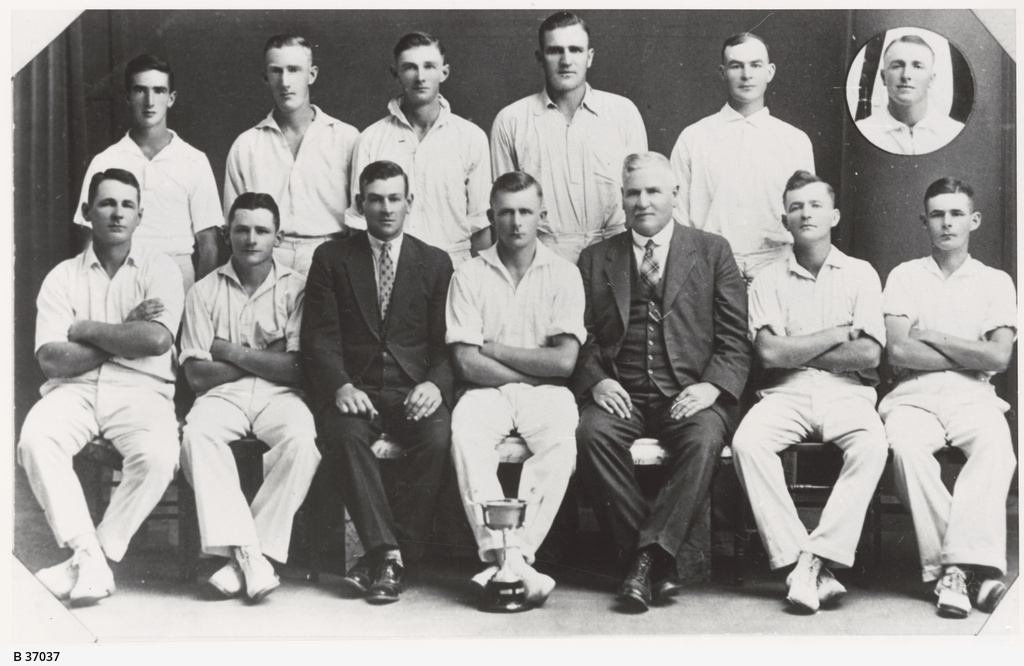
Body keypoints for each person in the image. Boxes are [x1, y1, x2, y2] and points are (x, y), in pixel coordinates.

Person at [573, 152, 750, 613]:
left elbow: (734, 339)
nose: (643, 201)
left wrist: (712, 386)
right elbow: (584, 336)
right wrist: (595, 382)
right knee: (591, 435)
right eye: (633, 193)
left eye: (654, 191)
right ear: (622, 199)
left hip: (689, 391)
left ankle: (643, 561)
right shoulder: (595, 258)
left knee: (705, 436)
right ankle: (656, 560)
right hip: (622, 392)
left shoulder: (713, 251)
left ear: (675, 195)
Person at [20, 168, 183, 606]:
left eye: (127, 204)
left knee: (160, 456)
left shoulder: (160, 269)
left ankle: (91, 558)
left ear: (140, 215)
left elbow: (156, 339)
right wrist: (125, 331)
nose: (116, 213)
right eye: (107, 203)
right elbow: (52, 359)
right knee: (36, 439)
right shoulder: (62, 277)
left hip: (141, 389)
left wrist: (87, 330)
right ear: (87, 211)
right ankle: (88, 554)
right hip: (73, 389)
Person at [730, 171, 888, 613]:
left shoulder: (860, 274)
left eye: (815, 205)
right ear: (785, 219)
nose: (806, 213)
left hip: (848, 393)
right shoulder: (766, 279)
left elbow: (869, 356)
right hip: (786, 393)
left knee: (873, 445)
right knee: (747, 443)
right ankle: (803, 560)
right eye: (796, 206)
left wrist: (795, 349)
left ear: (833, 215)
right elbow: (767, 356)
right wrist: (837, 333)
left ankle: (813, 560)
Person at [301, 160, 454, 605]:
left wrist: (436, 386)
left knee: (438, 436)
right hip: (356, 389)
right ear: (359, 205)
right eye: (376, 199)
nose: (386, 209)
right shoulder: (332, 259)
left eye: (394, 199)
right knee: (344, 437)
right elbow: (319, 337)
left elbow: (448, 343)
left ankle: (387, 555)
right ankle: (389, 554)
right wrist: (341, 387)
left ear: (410, 203)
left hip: (413, 389)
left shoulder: (434, 262)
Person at [447, 172, 585, 608]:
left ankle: (513, 556)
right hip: (486, 390)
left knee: (561, 441)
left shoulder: (564, 274)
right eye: (505, 212)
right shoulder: (468, 274)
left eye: (525, 211)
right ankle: (509, 557)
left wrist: (497, 349)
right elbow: (465, 361)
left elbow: (564, 362)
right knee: (466, 435)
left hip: (546, 395)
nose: (515, 222)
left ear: (541, 216)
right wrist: (529, 371)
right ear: (491, 216)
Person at [879, 177, 1016, 618]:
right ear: (924, 221)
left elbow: (999, 356)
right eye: (937, 213)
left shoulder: (996, 281)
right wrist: (969, 352)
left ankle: (955, 570)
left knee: (997, 448)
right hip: (912, 396)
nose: (947, 222)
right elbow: (898, 350)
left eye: (956, 213)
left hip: (973, 396)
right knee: (905, 450)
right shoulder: (904, 275)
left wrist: (933, 336)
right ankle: (969, 570)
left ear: (973, 220)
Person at [179, 192, 320, 604]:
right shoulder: (203, 292)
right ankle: (253, 557)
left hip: (282, 395)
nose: (251, 239)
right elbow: (197, 375)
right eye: (242, 229)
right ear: (227, 235)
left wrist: (228, 350)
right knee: (197, 437)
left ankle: (242, 558)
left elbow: (298, 369)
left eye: (262, 230)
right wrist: (267, 357)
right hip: (222, 396)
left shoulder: (298, 289)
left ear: (277, 237)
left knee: (301, 443)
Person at [491, 11, 648, 264]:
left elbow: (642, 197)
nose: (566, 60)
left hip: (616, 256)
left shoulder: (623, 113)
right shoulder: (511, 120)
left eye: (575, 50)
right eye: (555, 51)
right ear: (540, 58)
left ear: (590, 57)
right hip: (543, 257)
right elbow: (504, 209)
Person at [671, 32, 814, 284]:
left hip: (777, 265)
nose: (747, 75)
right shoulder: (694, 137)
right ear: (722, 72)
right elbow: (678, 215)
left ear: (769, 72)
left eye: (755, 65)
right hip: (710, 266)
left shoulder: (795, 140)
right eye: (736, 66)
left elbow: (805, 212)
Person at [73, 55, 222, 293]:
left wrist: (198, 303)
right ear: (128, 97)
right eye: (140, 90)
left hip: (177, 276)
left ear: (171, 98)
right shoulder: (105, 161)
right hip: (119, 276)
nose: (150, 101)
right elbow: (89, 240)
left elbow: (209, 245)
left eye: (159, 91)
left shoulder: (194, 160)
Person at [345, 32, 491, 266]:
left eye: (429, 66)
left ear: (444, 72)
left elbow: (480, 222)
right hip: (389, 266)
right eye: (410, 67)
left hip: (455, 265)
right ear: (396, 73)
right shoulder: (371, 138)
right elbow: (358, 221)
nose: (420, 77)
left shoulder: (472, 137)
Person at [224, 34, 360, 275]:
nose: (285, 82)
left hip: (331, 255)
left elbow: (360, 218)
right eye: (276, 71)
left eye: (294, 70)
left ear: (312, 74)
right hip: (265, 258)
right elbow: (234, 224)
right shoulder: (246, 145)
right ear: (265, 76)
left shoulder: (346, 138)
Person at [855, 35, 965, 156]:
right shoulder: (861, 132)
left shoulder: (955, 132)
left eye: (918, 66)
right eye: (897, 66)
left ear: (931, 79)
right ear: (883, 77)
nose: (906, 75)